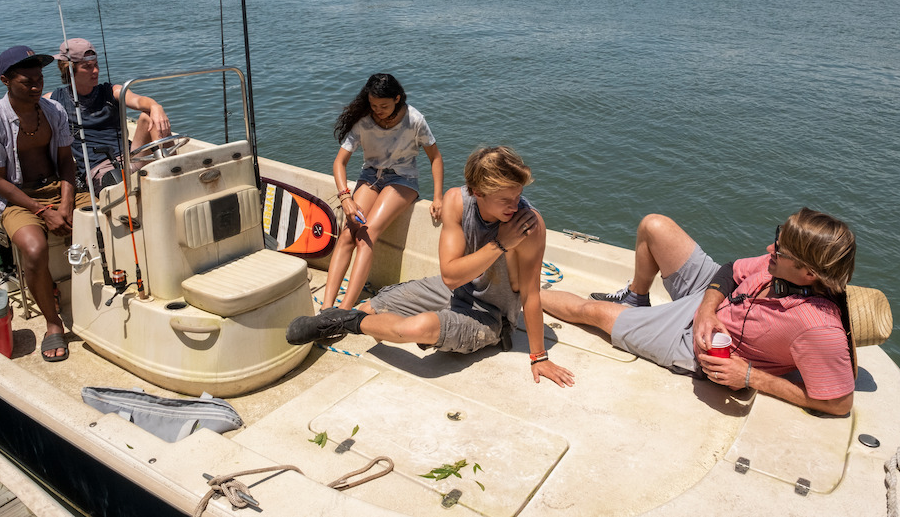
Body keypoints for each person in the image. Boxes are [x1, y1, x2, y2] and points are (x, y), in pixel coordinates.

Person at [287, 146, 575, 388]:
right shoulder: (457, 201)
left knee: (417, 327)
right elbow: (449, 276)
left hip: (490, 315)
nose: (515, 205)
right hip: (454, 288)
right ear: (476, 192)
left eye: (517, 196)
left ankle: (338, 321)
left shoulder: (528, 225)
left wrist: (539, 356)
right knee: (372, 310)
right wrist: (499, 244)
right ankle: (350, 318)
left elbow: (530, 294)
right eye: (505, 200)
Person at [540, 208, 855, 413]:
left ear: (809, 274)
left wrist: (749, 376)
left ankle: (524, 292)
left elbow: (839, 403)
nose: (769, 249)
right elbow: (732, 271)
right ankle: (636, 297)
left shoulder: (817, 329)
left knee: (593, 312)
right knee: (655, 225)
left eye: (780, 250)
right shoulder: (780, 268)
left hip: (694, 344)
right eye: (776, 238)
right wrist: (707, 308)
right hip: (714, 304)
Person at [0, 46, 93, 362]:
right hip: (16, 198)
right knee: (35, 249)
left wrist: (65, 206)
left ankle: (96, 294)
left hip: (58, 188)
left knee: (111, 218)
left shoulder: (54, 111)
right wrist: (43, 212)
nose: (36, 86)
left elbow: (67, 162)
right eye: (27, 81)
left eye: (39, 79)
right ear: (5, 81)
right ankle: (53, 324)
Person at [320, 73, 443, 311]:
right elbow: (339, 163)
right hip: (370, 176)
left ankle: (345, 310)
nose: (378, 111)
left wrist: (438, 197)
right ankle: (326, 307)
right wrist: (345, 196)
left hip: (403, 179)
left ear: (397, 98)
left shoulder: (414, 119)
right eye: (374, 105)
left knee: (366, 234)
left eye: (384, 106)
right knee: (347, 234)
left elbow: (435, 158)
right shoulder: (364, 121)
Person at [46, 38, 171, 195]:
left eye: (96, 65)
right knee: (118, 183)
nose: (96, 71)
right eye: (88, 67)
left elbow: (138, 100)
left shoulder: (112, 91)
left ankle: (172, 168)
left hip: (131, 157)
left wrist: (155, 106)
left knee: (149, 116)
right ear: (69, 71)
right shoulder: (54, 100)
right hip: (101, 170)